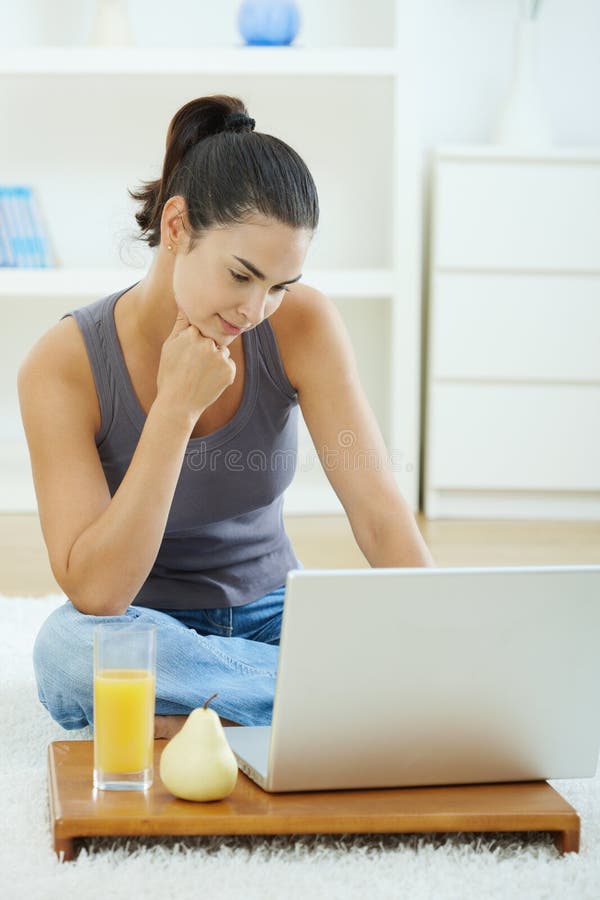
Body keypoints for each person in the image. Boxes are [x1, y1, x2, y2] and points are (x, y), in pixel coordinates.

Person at [17, 94, 435, 740]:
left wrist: (446, 642)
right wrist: (174, 410)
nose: (255, 309)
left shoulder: (305, 326)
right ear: (177, 226)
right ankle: (330, 696)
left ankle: (199, 710)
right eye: (241, 275)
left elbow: (379, 513)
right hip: (145, 622)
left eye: (279, 286)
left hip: (275, 612)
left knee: (394, 632)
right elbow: (97, 593)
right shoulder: (62, 365)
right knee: (66, 655)